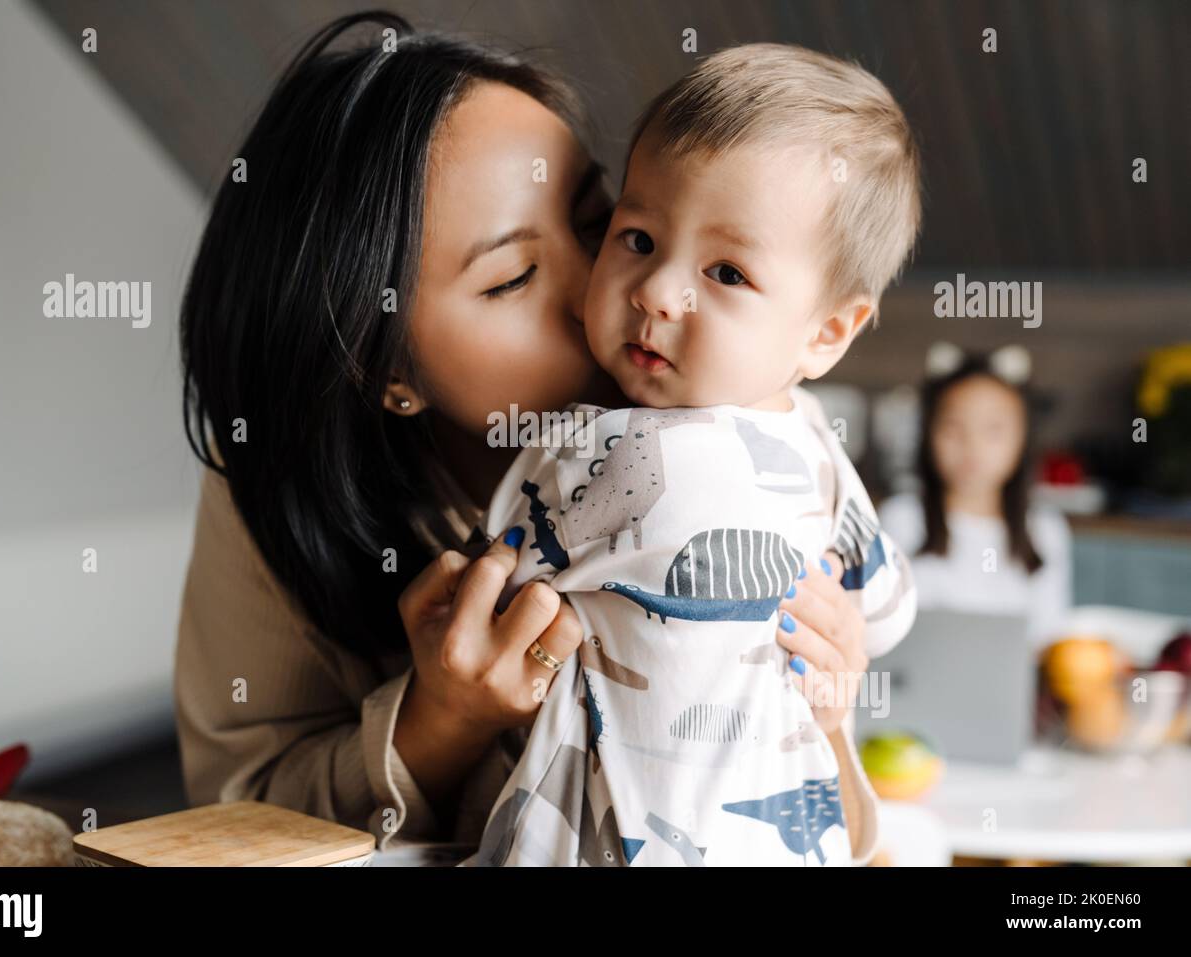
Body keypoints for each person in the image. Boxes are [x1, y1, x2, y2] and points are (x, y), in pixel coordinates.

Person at [174, 12, 884, 865]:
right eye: (512, 277)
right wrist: (443, 719)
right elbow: (225, 821)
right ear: (382, 371)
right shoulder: (270, 482)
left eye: (600, 221)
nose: (634, 289)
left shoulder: (760, 443)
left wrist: (827, 712)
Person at [466, 43, 920, 867]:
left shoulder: (585, 450)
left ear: (826, 331)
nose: (657, 292)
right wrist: (845, 634)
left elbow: (493, 581)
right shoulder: (819, 443)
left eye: (725, 272)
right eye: (637, 237)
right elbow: (887, 605)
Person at [878, 343, 1073, 648]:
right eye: (954, 428)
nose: (973, 446)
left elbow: (1048, 638)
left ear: (1023, 438)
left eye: (993, 430)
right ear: (928, 434)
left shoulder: (1045, 530)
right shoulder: (901, 519)